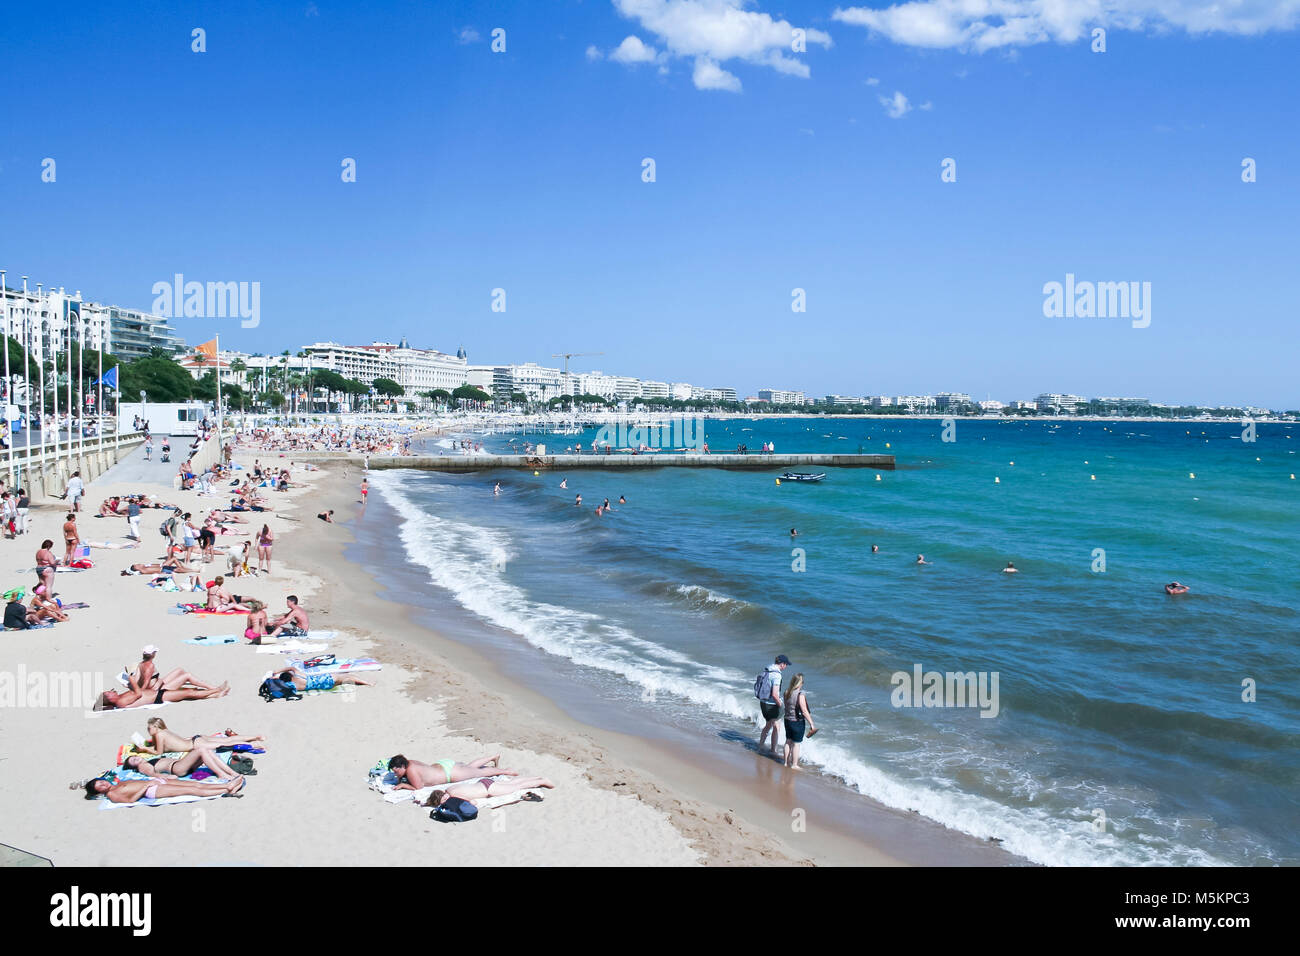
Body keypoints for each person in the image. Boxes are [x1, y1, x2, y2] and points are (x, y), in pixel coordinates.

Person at [387, 754, 519, 789]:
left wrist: (403, 784)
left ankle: (506, 771)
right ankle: (492, 757)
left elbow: (418, 787)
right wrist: (400, 778)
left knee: (479, 773)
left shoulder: (410, 770)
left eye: (396, 771)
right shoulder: (410, 762)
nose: (395, 774)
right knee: (470, 768)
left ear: (403, 766)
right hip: (443, 766)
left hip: (449, 773)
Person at [83, 775, 244, 803]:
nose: (104, 784)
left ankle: (226, 786)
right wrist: (146, 786)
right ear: (101, 792)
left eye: (101, 782)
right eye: (101, 787)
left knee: (194, 784)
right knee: (191, 791)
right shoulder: (113, 794)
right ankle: (227, 788)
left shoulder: (115, 784)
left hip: (155, 783)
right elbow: (130, 799)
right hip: (151, 790)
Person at [423, 776, 555, 809]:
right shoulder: (450, 789)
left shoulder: (453, 795)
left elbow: (470, 801)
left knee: (516, 787)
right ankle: (537, 779)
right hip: (484, 782)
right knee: (512, 783)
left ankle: (541, 781)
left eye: (444, 800)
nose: (446, 801)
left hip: (488, 789)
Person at [756, 655, 790, 756]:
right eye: (786, 664)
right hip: (772, 705)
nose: (786, 666)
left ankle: (761, 745)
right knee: (777, 727)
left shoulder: (767, 670)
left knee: (768, 725)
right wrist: (781, 705)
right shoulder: (777, 675)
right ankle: (773, 750)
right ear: (782, 664)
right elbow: (775, 694)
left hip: (763, 703)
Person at [782, 673, 816, 770]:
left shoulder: (786, 692)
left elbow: (786, 706)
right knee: (796, 744)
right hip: (797, 722)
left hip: (787, 720)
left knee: (788, 741)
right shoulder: (800, 695)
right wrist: (811, 724)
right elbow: (804, 711)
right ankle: (794, 764)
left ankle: (785, 762)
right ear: (799, 683)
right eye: (802, 682)